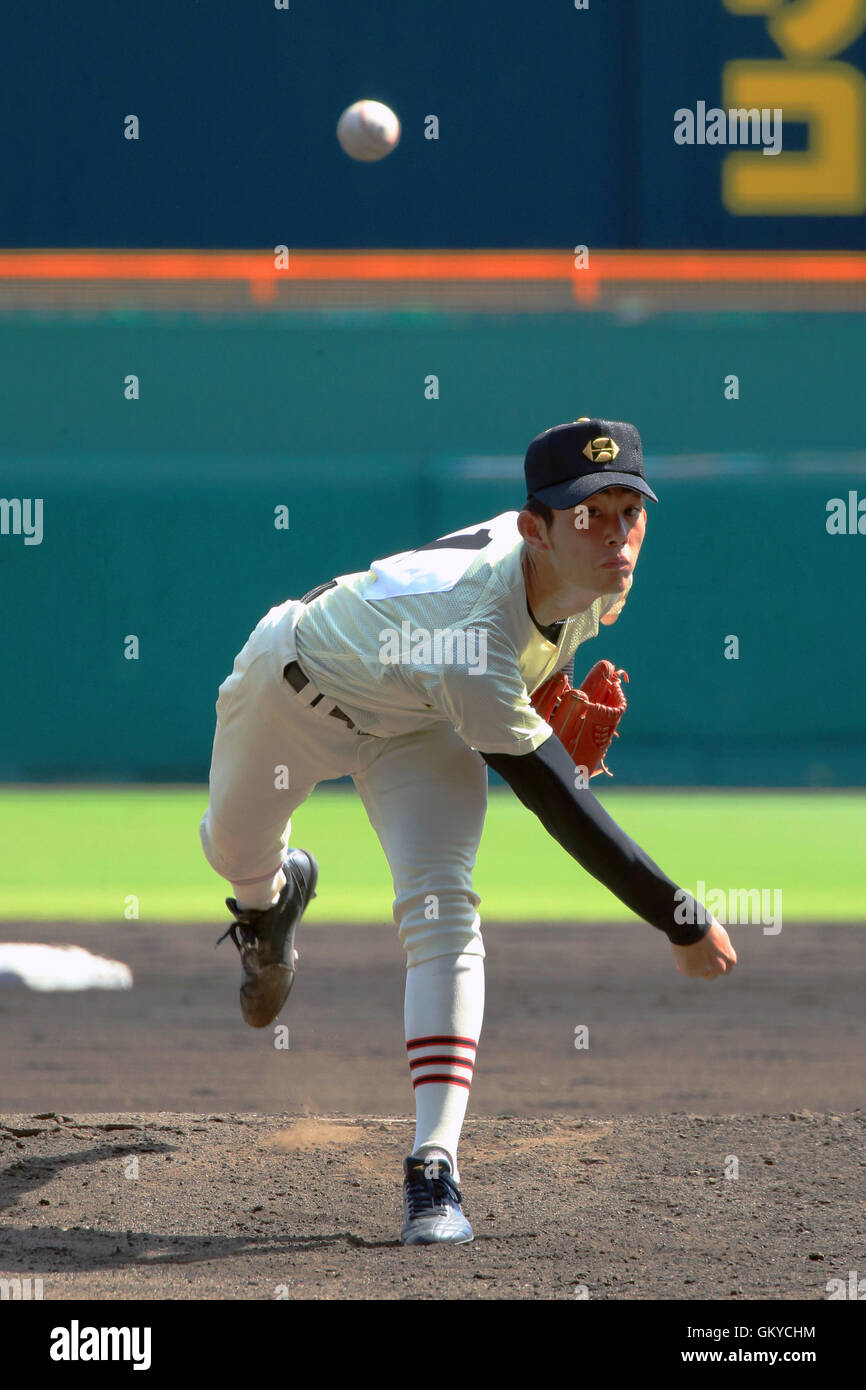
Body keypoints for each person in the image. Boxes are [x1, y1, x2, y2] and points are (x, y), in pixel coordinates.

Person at [200, 417, 737, 1246]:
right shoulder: (471, 634)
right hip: (294, 690)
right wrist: (681, 916)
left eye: (630, 509)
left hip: (421, 723)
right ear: (535, 527)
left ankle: (433, 1167)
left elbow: (535, 658)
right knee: (230, 850)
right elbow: (559, 804)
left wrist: (546, 686)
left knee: (444, 906)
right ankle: (267, 905)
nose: (616, 533)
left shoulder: (598, 577)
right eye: (591, 513)